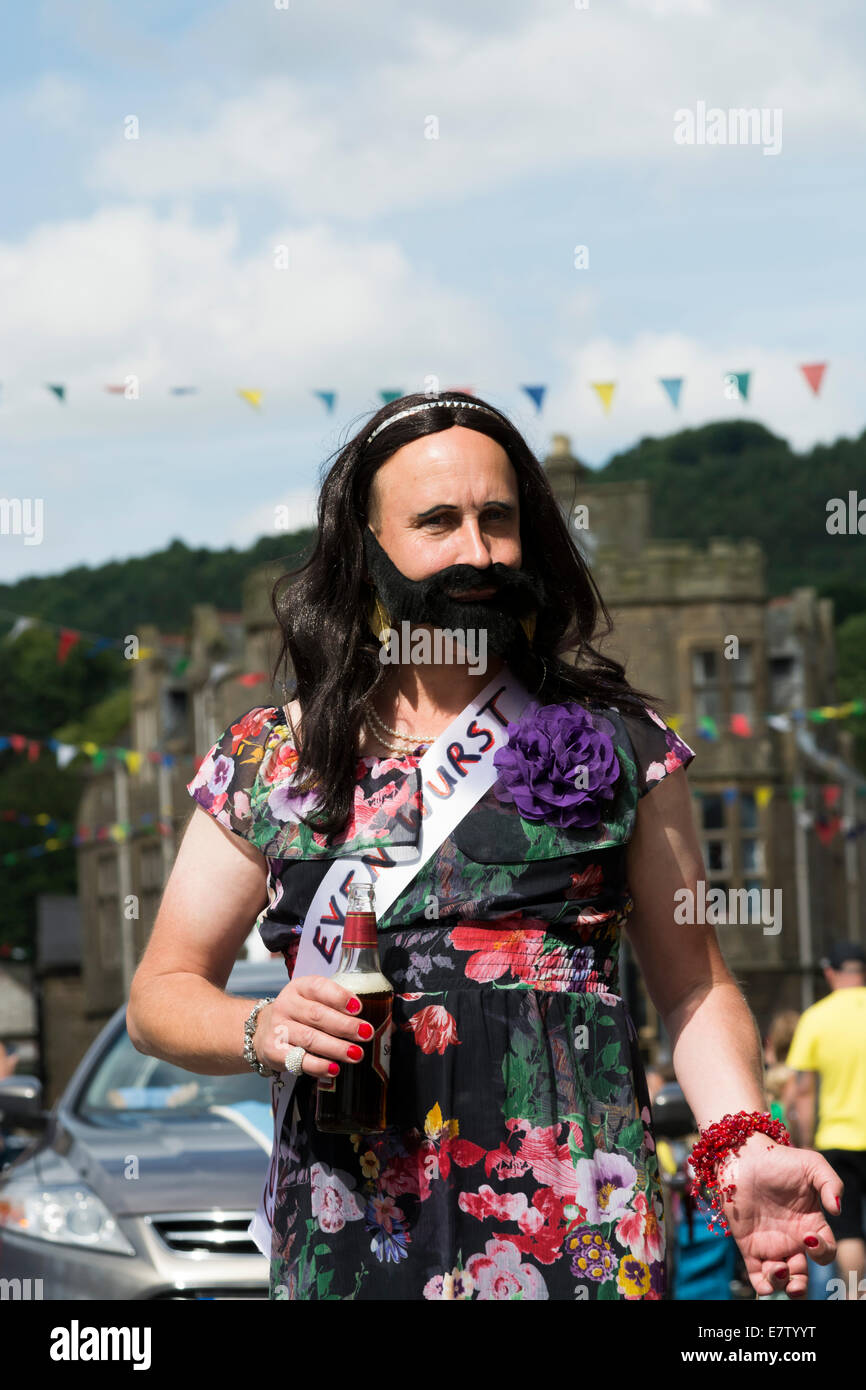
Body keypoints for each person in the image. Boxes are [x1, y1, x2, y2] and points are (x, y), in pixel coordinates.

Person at [127, 390, 842, 1301]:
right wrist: (259, 1029)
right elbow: (159, 995)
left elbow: (694, 981)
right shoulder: (271, 757)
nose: (476, 551)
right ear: (368, 548)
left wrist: (741, 1140)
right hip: (356, 1234)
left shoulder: (624, 744)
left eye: (496, 520)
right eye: (437, 522)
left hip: (581, 1230)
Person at [786, 941, 866, 1295]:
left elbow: (802, 1092)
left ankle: (855, 1295)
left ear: (830, 973)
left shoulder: (816, 1017)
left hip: (837, 1141)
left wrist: (805, 1144)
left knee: (848, 1233)